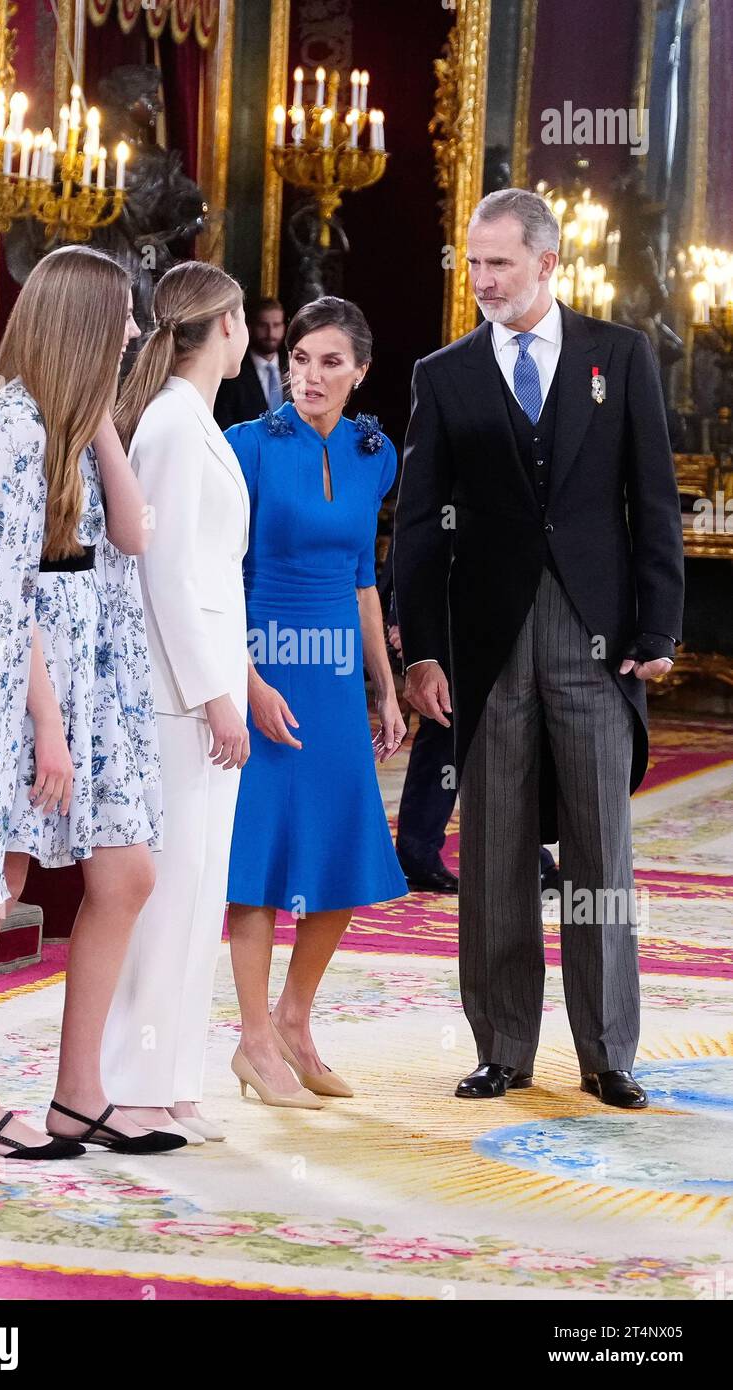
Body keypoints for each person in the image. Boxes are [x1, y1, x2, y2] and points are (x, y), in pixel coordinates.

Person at [393, 189, 684, 1109]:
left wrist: (658, 629)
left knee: (602, 854)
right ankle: (502, 1048)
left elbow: (655, 501)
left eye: (499, 264)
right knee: (495, 856)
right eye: (473, 265)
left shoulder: (619, 355)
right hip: (486, 650)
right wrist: (423, 652)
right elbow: (417, 529)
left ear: (548, 264)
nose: (481, 282)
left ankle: (609, 1055)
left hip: (597, 645)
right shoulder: (444, 375)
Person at [0, 246, 187, 1159]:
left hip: (96, 676)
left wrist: (101, 420)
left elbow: (130, 532)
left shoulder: (71, 422)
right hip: (22, 678)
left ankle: (81, 1096)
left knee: (127, 874)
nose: (130, 331)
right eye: (118, 316)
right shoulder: (8, 431)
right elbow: (8, 594)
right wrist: (46, 722)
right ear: (81, 321)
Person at [225, 296, 408, 1109]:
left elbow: (366, 578)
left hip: (336, 676)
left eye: (331, 361)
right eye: (300, 358)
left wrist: (386, 688)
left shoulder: (377, 453)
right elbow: (217, 578)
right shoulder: (247, 448)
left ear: (360, 371)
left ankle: (295, 1022)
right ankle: (253, 1042)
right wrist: (248, 680)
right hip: (263, 660)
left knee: (342, 852)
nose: (310, 374)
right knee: (263, 860)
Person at [100, 262, 251, 1143]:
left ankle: (175, 1080)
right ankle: (132, 1085)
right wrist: (212, 695)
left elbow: (210, 578)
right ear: (224, 325)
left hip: (200, 694)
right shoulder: (167, 423)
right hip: (174, 701)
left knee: (202, 891)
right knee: (170, 893)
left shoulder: (193, 420)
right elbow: (165, 575)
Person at [380, 540, 559, 894]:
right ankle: (418, 855)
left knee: (502, 735)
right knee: (447, 733)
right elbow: (419, 530)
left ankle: (525, 857)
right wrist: (403, 616)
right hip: (449, 617)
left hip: (507, 610)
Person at [214, 297, 287, 430]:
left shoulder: (294, 367)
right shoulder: (232, 372)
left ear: (284, 327)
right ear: (250, 327)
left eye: (276, 325)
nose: (270, 333)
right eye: (263, 325)